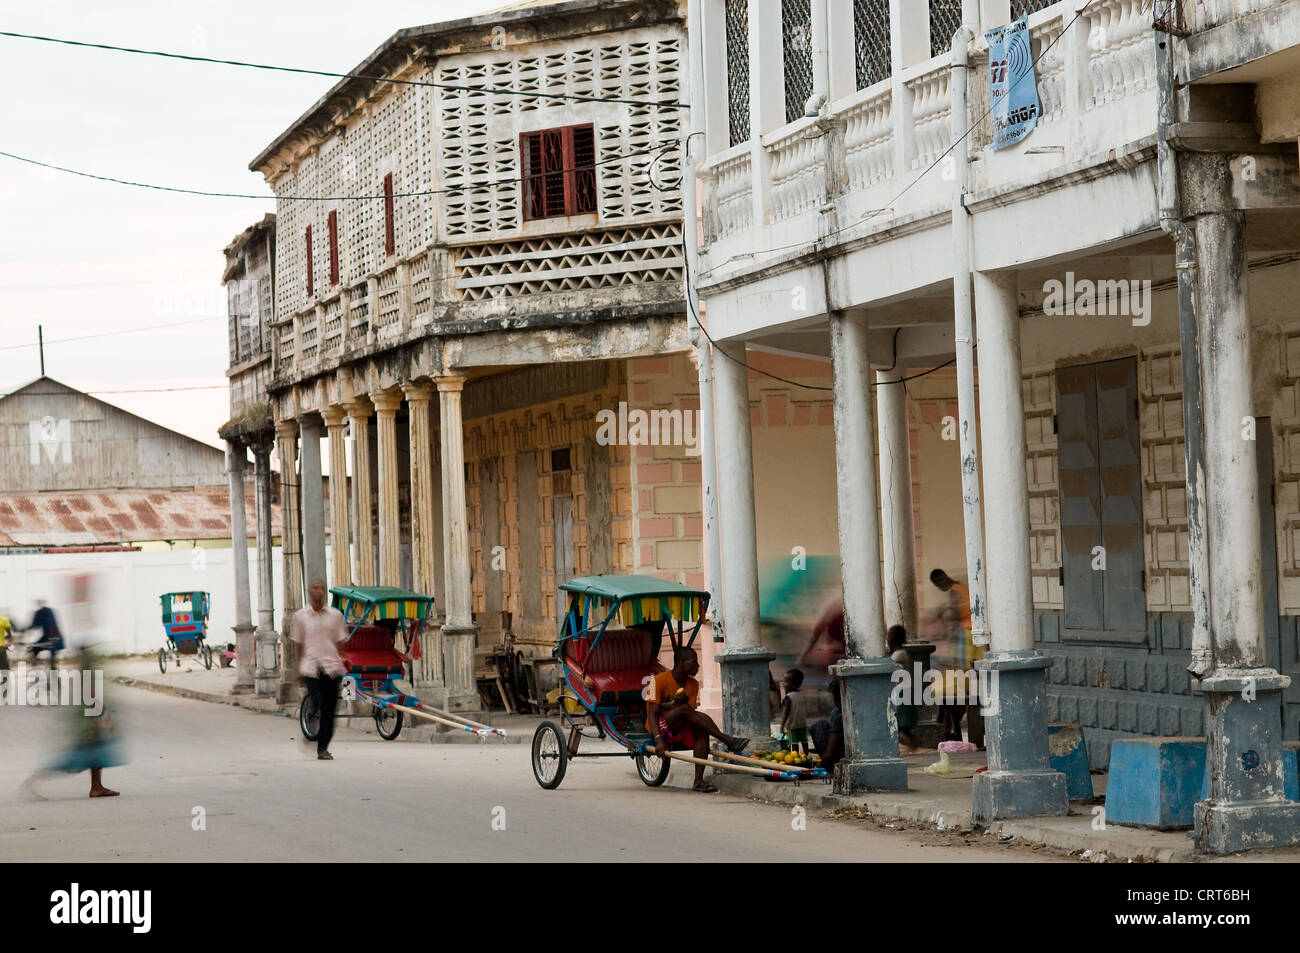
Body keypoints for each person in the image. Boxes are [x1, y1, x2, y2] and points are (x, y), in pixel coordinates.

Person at [21, 643, 123, 799]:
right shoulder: (88, 663)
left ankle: (97, 786)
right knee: (70, 759)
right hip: (88, 718)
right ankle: (32, 782)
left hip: (89, 716)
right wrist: (99, 711)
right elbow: (90, 690)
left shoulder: (85, 663)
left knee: (96, 752)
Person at [647, 646, 749, 793]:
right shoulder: (659, 680)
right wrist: (658, 740)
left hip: (681, 724)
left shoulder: (692, 684)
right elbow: (652, 714)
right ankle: (727, 740)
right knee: (683, 709)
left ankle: (698, 781)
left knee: (702, 730)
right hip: (660, 726)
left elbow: (690, 714)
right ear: (681, 663)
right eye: (694, 662)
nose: (698, 666)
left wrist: (682, 703)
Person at [291, 578, 349, 761]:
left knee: (330, 711)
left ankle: (322, 748)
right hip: (310, 666)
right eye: (315, 588)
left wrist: (340, 660)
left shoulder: (335, 615)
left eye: (322, 588)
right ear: (309, 591)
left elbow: (341, 642)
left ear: (325, 592)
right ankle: (311, 720)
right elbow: (298, 643)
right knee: (317, 700)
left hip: (331, 666)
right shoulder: (300, 617)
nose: (319, 591)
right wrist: (298, 667)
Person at [888, 624, 918, 751]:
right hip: (903, 691)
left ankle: (908, 745)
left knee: (898, 724)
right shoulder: (900, 653)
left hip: (901, 692)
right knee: (902, 726)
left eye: (889, 636)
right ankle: (912, 744)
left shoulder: (899, 655)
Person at [780, 668, 815, 755]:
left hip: (792, 726)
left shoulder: (788, 697)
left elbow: (786, 713)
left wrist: (782, 725)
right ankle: (806, 756)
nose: (783, 684)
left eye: (785, 682)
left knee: (794, 744)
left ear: (794, 685)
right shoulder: (802, 695)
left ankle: (795, 757)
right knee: (804, 742)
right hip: (802, 724)